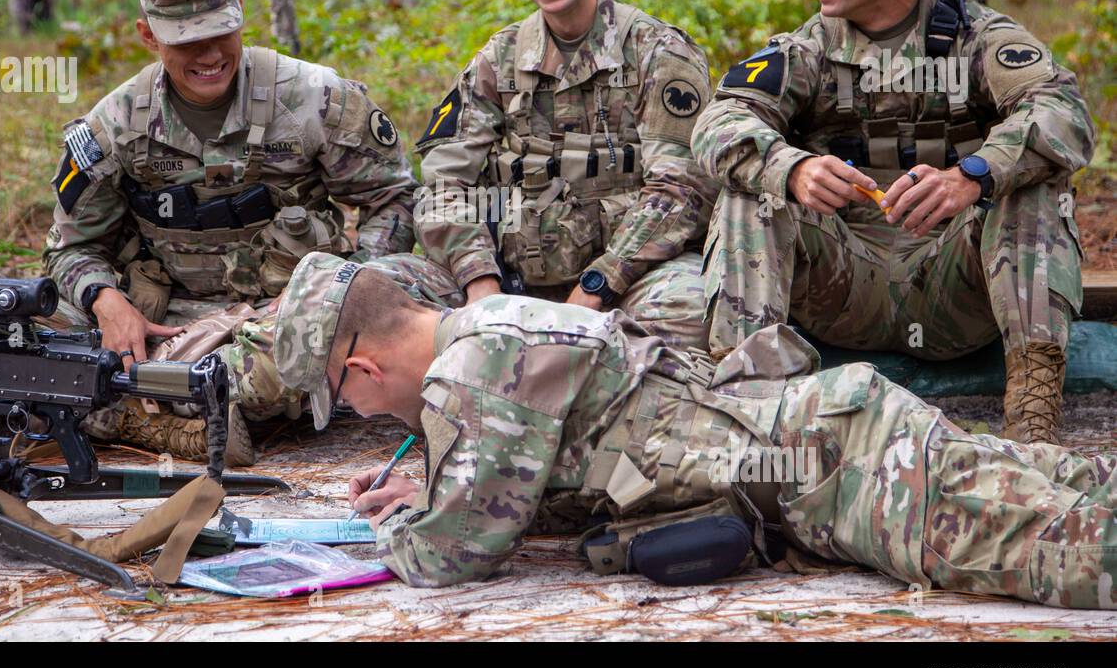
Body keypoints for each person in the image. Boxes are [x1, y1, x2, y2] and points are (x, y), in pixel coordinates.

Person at [272, 252, 1117, 609]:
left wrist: (390, 526)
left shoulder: (470, 375)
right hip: (835, 436)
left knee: (1079, 555)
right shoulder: (493, 326)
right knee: (1084, 490)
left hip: (844, 475)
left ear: (363, 370)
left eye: (342, 399)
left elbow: (452, 556)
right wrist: (428, 484)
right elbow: (549, 477)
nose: (356, 414)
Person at [690, 0, 1094, 444]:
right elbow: (716, 123)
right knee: (751, 192)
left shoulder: (977, 37)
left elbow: (1065, 113)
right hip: (844, 286)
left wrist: (972, 176)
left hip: (952, 288)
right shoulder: (807, 49)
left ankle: (1032, 427)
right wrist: (793, 168)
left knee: (1034, 183)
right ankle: (743, 424)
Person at [42, 0, 429, 464]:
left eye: (219, 32)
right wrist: (107, 303)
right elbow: (70, 249)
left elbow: (394, 200)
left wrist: (345, 287)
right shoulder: (114, 126)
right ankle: (184, 399)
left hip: (289, 314)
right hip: (170, 319)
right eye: (185, 39)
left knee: (419, 284)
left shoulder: (316, 99)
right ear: (147, 36)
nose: (208, 55)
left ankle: (133, 402)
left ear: (240, 13)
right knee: (30, 326)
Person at [414, 0, 717, 351]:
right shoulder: (500, 58)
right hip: (511, 276)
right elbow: (443, 181)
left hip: (628, 280)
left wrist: (600, 284)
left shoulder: (656, 51)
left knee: (692, 310)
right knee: (383, 291)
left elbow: (683, 187)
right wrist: (480, 283)